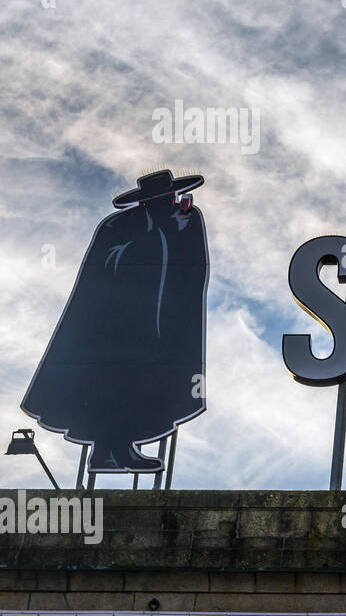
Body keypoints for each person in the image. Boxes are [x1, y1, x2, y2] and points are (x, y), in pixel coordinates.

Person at [22, 170, 209, 474]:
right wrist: (154, 241)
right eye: (165, 199)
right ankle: (109, 450)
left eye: (172, 198)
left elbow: (190, 271)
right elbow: (108, 265)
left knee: (145, 387)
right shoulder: (120, 225)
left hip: (160, 328)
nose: (172, 202)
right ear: (150, 202)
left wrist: (180, 230)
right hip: (116, 329)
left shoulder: (184, 220)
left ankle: (120, 448)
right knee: (115, 387)